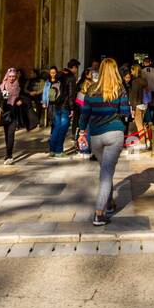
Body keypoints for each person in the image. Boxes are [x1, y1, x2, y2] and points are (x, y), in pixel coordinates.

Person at [77, 58, 131, 226]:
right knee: (106, 175)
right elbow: (125, 113)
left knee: (105, 170)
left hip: (96, 137)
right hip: (114, 134)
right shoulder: (119, 89)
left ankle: (109, 204)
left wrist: (81, 131)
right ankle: (99, 213)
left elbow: (84, 114)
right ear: (115, 70)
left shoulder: (91, 90)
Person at [47, 62, 77, 158]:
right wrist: (72, 108)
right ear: (74, 68)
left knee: (56, 127)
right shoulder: (71, 77)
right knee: (63, 127)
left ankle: (52, 150)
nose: (76, 71)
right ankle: (59, 150)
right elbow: (71, 94)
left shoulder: (59, 74)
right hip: (65, 105)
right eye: (76, 68)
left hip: (56, 104)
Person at [0, 66, 25, 164]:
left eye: (14, 76)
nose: (12, 78)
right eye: (10, 76)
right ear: (7, 77)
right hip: (6, 113)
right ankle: (8, 152)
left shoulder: (18, 86)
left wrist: (20, 100)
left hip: (15, 113)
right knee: (6, 134)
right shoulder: (4, 86)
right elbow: (2, 100)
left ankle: (9, 155)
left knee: (11, 134)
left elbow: (23, 96)